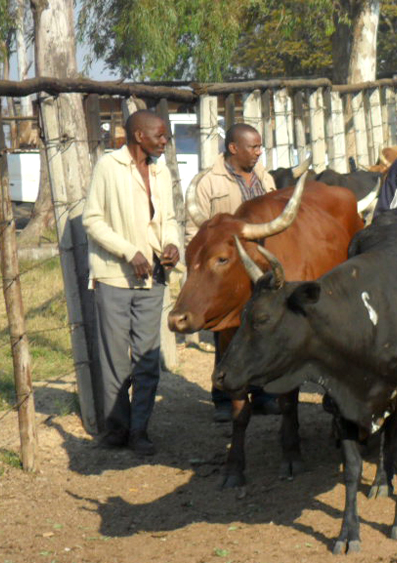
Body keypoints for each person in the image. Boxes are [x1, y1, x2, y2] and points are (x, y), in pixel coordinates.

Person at [83, 110, 181, 456]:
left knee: (147, 358)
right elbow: (92, 220)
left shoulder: (161, 170)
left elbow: (168, 219)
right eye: (161, 135)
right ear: (139, 136)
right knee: (114, 360)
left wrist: (172, 245)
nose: (165, 141)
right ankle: (117, 428)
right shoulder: (109, 167)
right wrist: (129, 252)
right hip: (114, 276)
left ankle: (140, 430)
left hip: (153, 277)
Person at [184, 123, 278, 423]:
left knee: (261, 330)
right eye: (253, 147)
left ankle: (262, 392)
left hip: (257, 268)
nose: (258, 152)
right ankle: (224, 396)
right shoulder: (209, 183)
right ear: (234, 148)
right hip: (223, 271)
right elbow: (194, 232)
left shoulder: (265, 177)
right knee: (225, 333)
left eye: (260, 146)